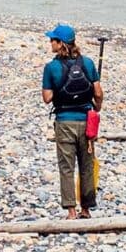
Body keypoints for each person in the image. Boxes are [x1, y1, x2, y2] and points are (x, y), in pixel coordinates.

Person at [40, 23, 102, 218]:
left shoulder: (52, 67)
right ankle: (86, 208)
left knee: (66, 167)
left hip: (64, 121)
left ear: (61, 44)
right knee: (86, 165)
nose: (50, 43)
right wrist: (97, 108)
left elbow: (47, 98)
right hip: (86, 121)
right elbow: (98, 92)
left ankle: (71, 211)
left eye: (53, 40)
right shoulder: (88, 63)